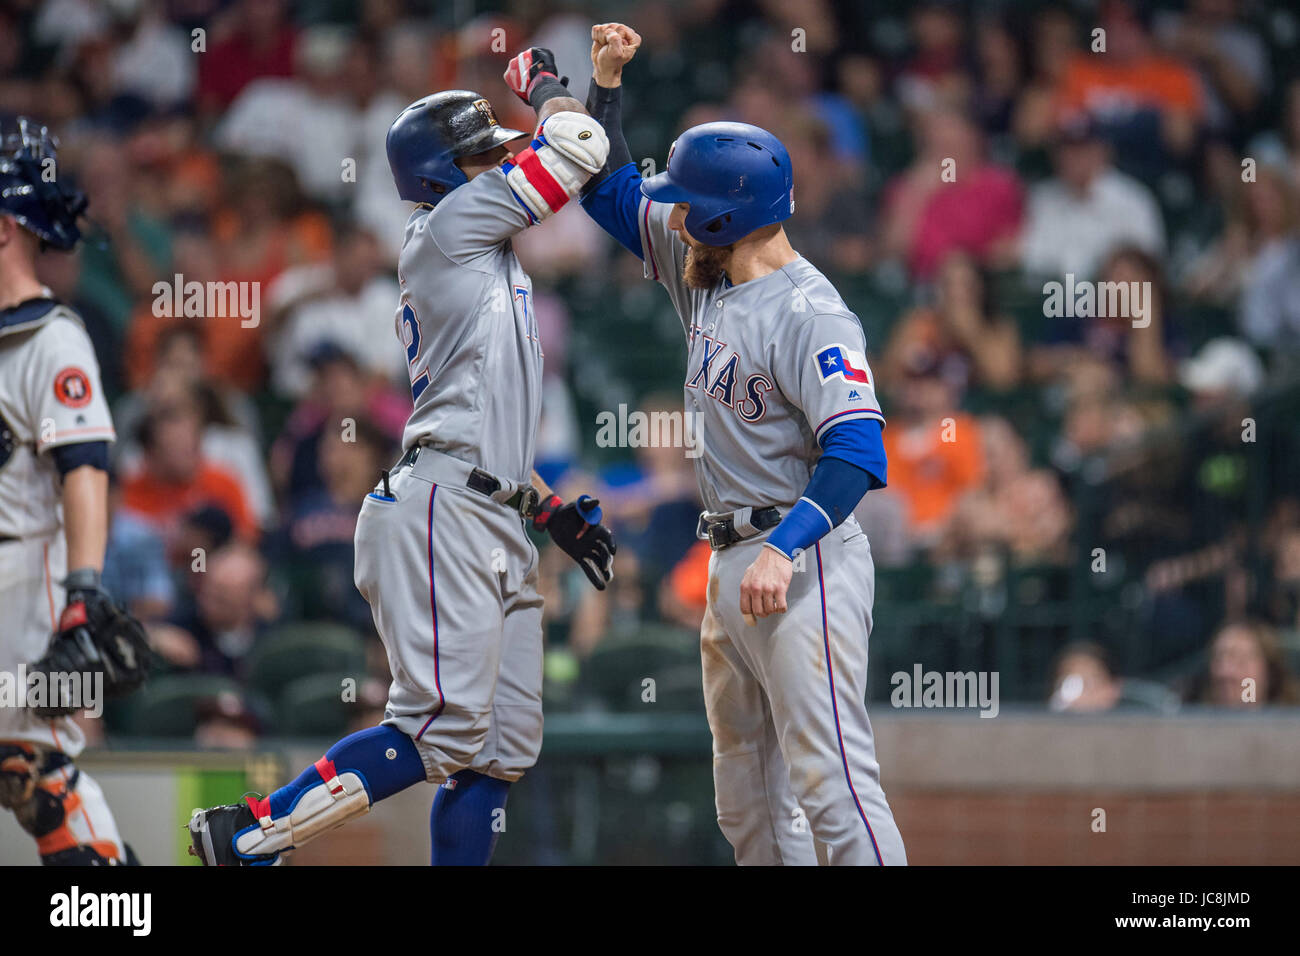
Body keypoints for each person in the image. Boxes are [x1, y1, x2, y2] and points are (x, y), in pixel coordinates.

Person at [188, 62, 616, 866]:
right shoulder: (449, 229)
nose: (496, 164)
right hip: (439, 506)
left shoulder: (483, 254)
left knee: (500, 748)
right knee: (442, 728)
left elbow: (486, 426)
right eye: (481, 155)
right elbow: (579, 146)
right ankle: (250, 830)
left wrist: (548, 509)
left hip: (487, 503)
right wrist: (551, 84)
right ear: (441, 173)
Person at [577, 23, 906, 865]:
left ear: (727, 212)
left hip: (804, 563)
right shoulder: (711, 276)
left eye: (687, 201)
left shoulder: (811, 312)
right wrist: (604, 87)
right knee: (749, 807)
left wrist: (786, 548)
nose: (672, 211)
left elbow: (860, 450)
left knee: (832, 787)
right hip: (731, 556)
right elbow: (609, 192)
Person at [0, 119, 147, 865]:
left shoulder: (53, 337)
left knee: (35, 775)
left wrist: (82, 592)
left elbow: (84, 468)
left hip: (24, 583)